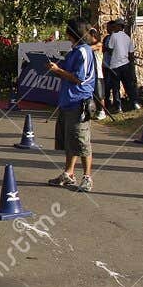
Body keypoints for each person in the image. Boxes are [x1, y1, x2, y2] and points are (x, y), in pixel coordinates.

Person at [44, 19, 97, 193]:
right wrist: (55, 68)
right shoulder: (75, 51)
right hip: (68, 101)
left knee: (82, 141)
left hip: (78, 102)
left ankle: (87, 177)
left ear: (73, 34)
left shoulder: (83, 52)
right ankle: (69, 173)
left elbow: (78, 78)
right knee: (69, 141)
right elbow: (66, 72)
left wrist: (57, 70)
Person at [104, 19, 139, 112]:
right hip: (126, 64)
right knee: (128, 85)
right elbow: (131, 53)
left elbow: (110, 49)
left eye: (115, 26)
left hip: (115, 65)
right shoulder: (127, 37)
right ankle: (134, 103)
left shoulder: (114, 36)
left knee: (116, 87)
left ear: (119, 26)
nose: (114, 27)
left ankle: (118, 107)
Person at [87, 26, 108, 120]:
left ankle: (102, 111)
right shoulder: (88, 45)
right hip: (91, 73)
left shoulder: (98, 44)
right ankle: (94, 110)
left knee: (100, 94)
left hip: (98, 73)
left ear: (93, 36)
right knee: (93, 94)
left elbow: (90, 48)